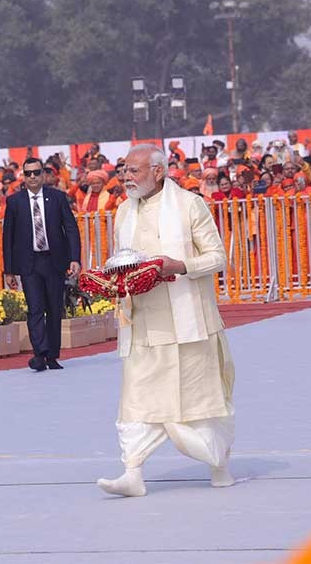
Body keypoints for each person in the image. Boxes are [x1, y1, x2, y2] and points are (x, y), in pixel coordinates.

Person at [97, 144, 235, 498]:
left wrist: (180, 266)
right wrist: (111, 283)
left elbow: (218, 257)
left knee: (200, 401)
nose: (126, 177)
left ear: (158, 171)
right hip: (143, 323)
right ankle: (133, 473)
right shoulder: (123, 211)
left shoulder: (190, 205)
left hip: (190, 324)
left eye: (134, 171)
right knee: (137, 399)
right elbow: (122, 262)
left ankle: (219, 465)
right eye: (124, 170)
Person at [2, 157, 82, 372]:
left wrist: (75, 258)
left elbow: (71, 229)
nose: (33, 177)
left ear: (43, 174)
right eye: (28, 173)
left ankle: (52, 355)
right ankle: (40, 353)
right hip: (29, 263)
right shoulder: (14, 202)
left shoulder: (57, 198)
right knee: (35, 308)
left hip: (54, 261)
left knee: (54, 308)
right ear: (23, 176)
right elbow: (8, 237)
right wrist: (9, 270)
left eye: (36, 172)